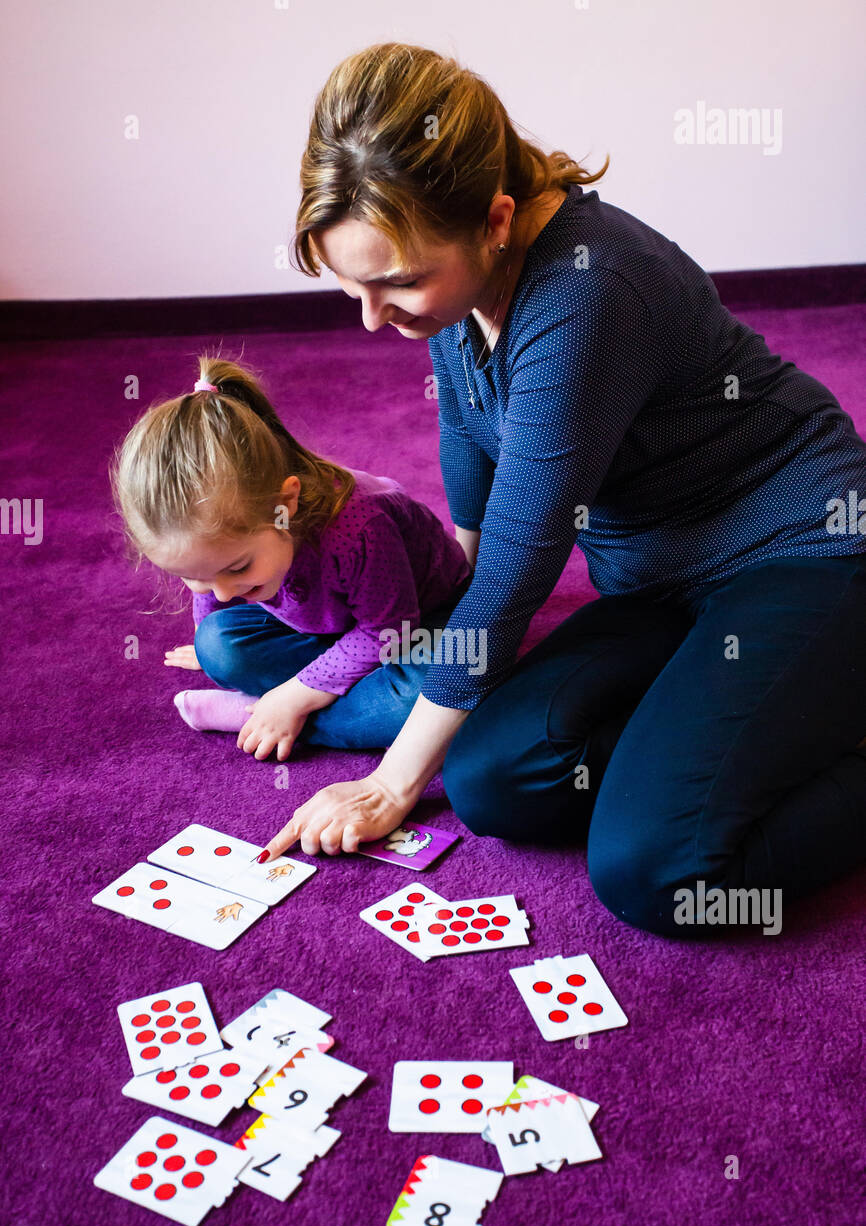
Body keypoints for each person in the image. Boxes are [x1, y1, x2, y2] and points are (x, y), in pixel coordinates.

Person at [259, 40, 866, 938]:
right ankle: (773, 731)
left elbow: (515, 568)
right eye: (351, 285)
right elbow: (470, 446)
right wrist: (423, 616)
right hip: (662, 581)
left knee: (658, 870)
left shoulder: (589, 289)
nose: (373, 317)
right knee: (492, 778)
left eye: (394, 285)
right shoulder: (455, 277)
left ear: (496, 218)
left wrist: (391, 781)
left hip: (805, 552)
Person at [111, 354, 472, 761]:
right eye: (199, 579)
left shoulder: (360, 529)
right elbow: (217, 599)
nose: (224, 594)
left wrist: (295, 696)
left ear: (286, 503)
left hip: (414, 623)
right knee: (218, 645)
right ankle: (317, 698)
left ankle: (250, 711)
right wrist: (206, 636)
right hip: (330, 625)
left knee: (421, 696)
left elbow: (388, 631)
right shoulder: (231, 557)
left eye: (237, 568)